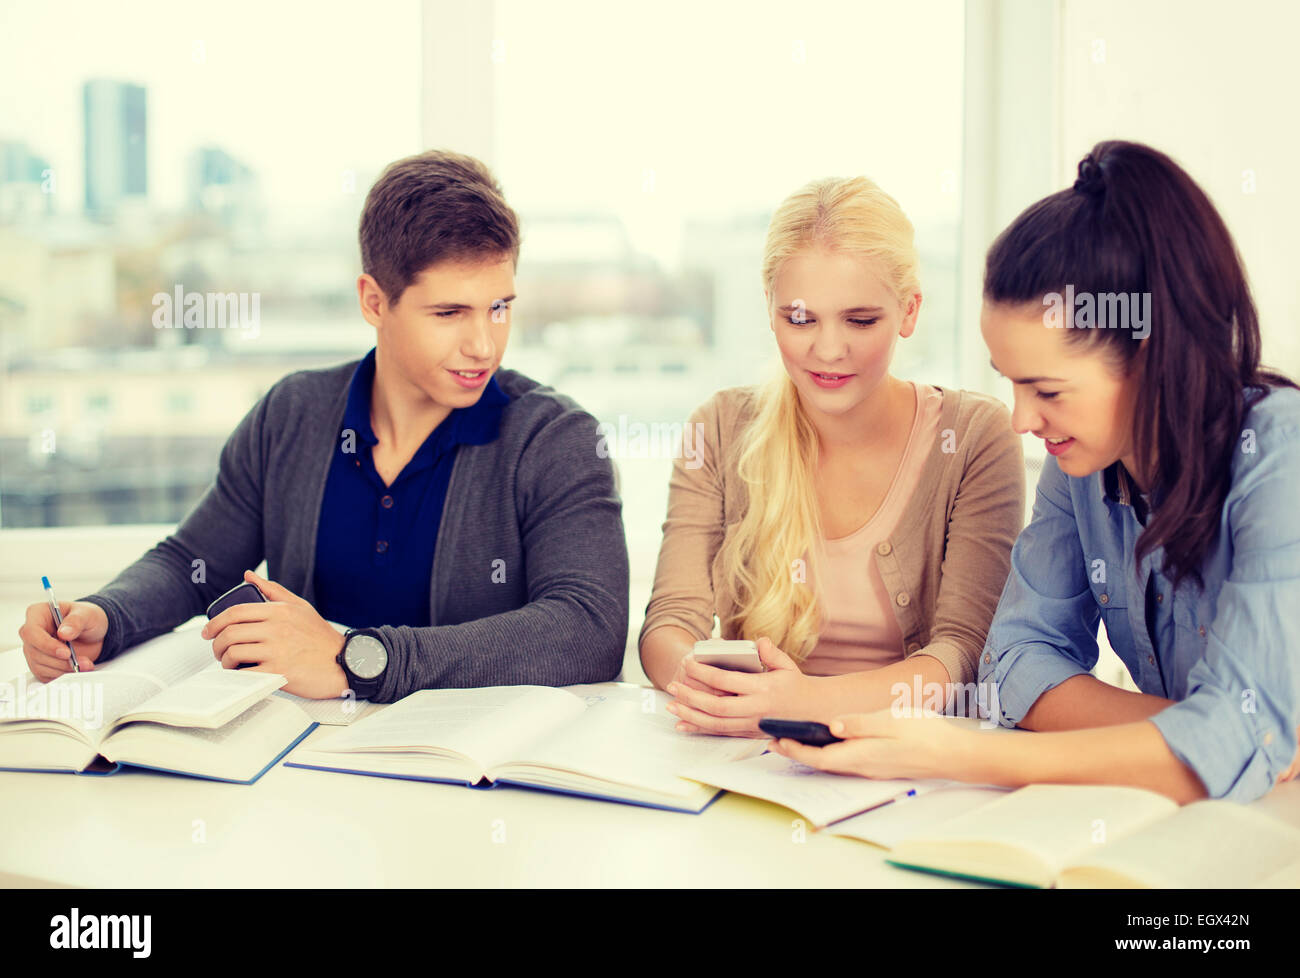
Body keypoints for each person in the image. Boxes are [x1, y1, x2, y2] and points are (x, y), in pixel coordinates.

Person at [771, 140, 1300, 802]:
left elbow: (1242, 739)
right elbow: (1015, 664)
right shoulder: (1084, 458)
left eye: (1047, 391)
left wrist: (964, 754)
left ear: (1151, 357)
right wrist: (1220, 735)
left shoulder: (1281, 455)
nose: (1022, 418)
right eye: (1012, 383)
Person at [18, 150, 629, 702]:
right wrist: (106, 615)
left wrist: (356, 661)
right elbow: (192, 562)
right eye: (449, 312)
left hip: (468, 782)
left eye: (499, 308)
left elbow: (587, 629)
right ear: (373, 301)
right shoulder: (294, 414)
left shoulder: (557, 440)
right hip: (297, 769)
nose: (483, 343)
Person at [638, 175, 1025, 735]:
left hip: (913, 764)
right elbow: (669, 627)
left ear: (910, 312)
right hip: (753, 757)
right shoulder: (720, 428)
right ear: (770, 311)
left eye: (860, 320)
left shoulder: (974, 437)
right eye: (800, 319)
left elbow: (964, 657)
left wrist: (803, 703)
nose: (827, 350)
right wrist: (720, 692)